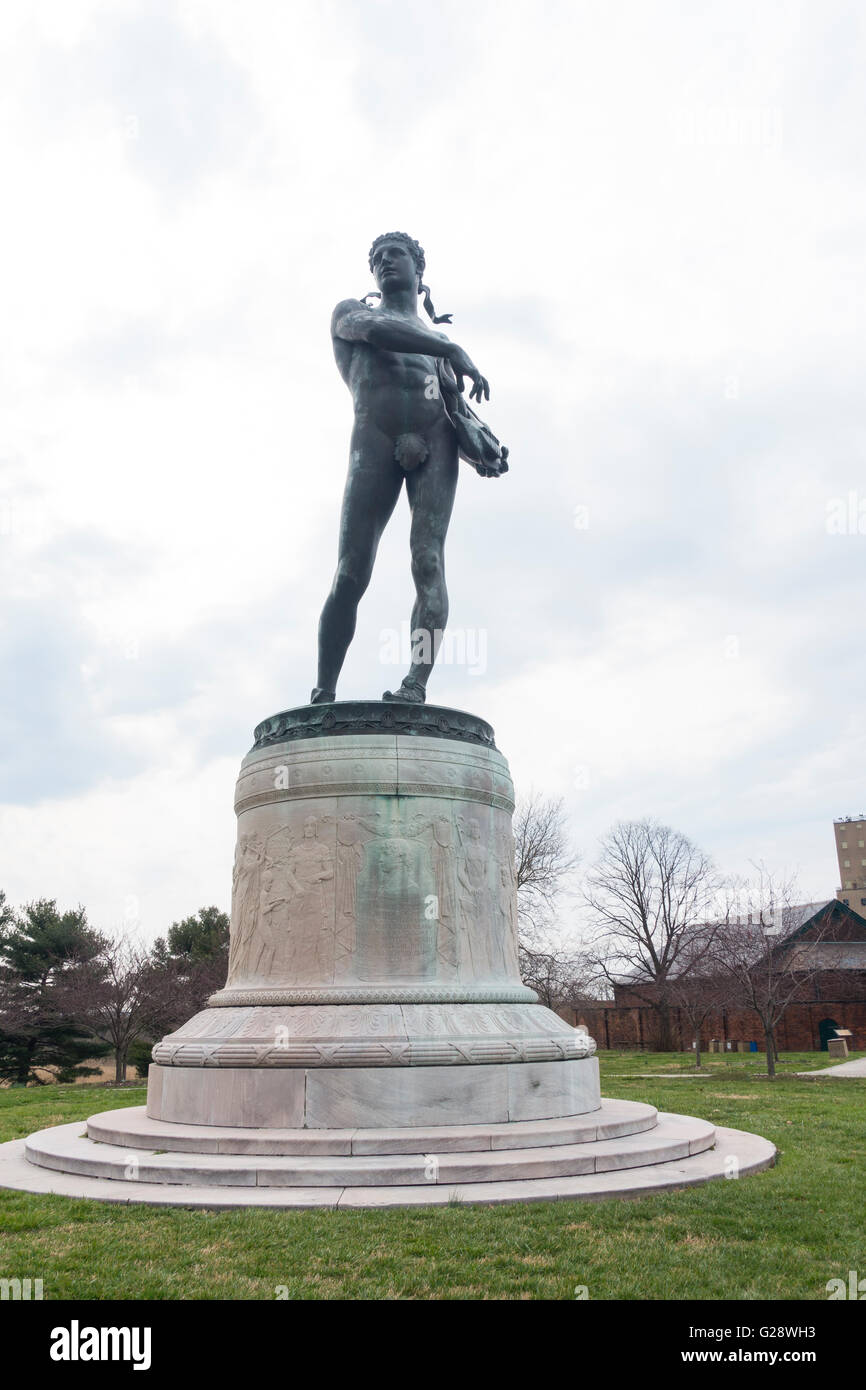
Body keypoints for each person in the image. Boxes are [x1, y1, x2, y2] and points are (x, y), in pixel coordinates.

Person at [312, 231, 506, 705]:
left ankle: (415, 683)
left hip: (434, 440)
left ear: (419, 271)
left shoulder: (435, 345)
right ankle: (325, 691)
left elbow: (455, 407)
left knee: (428, 559)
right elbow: (378, 333)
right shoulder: (352, 315)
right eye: (376, 258)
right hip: (373, 439)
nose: (383, 262)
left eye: (394, 254)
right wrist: (449, 349)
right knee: (351, 571)